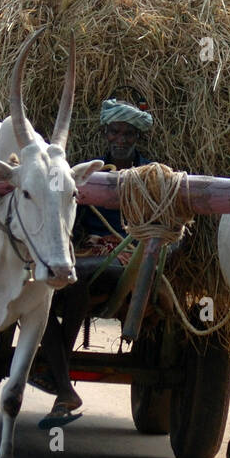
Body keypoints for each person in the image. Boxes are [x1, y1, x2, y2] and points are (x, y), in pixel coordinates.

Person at [33, 98, 154, 428]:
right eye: (115, 132)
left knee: (76, 278)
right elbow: (68, 216)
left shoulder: (152, 173)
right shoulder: (88, 171)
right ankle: (64, 386)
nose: (121, 139)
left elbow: (162, 220)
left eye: (128, 133)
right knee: (39, 298)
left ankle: (58, 378)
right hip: (87, 252)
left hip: (126, 257)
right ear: (105, 133)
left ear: (137, 136)